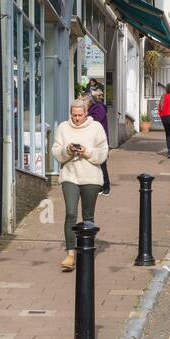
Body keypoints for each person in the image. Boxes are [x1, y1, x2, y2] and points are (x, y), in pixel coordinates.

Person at [51, 98, 109, 272]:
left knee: (88, 217)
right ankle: (70, 254)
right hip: (70, 176)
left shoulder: (96, 128)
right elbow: (56, 152)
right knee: (70, 213)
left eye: (80, 115)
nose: (76, 118)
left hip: (91, 178)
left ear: (86, 113)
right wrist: (67, 151)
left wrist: (87, 152)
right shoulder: (63, 128)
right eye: (74, 115)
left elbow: (103, 153)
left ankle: (86, 252)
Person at [86, 82, 112, 196]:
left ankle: (106, 187)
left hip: (100, 140)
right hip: (94, 140)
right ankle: (100, 187)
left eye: (87, 99)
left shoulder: (99, 108)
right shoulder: (95, 107)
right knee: (96, 165)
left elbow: (95, 120)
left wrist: (86, 116)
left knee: (102, 164)